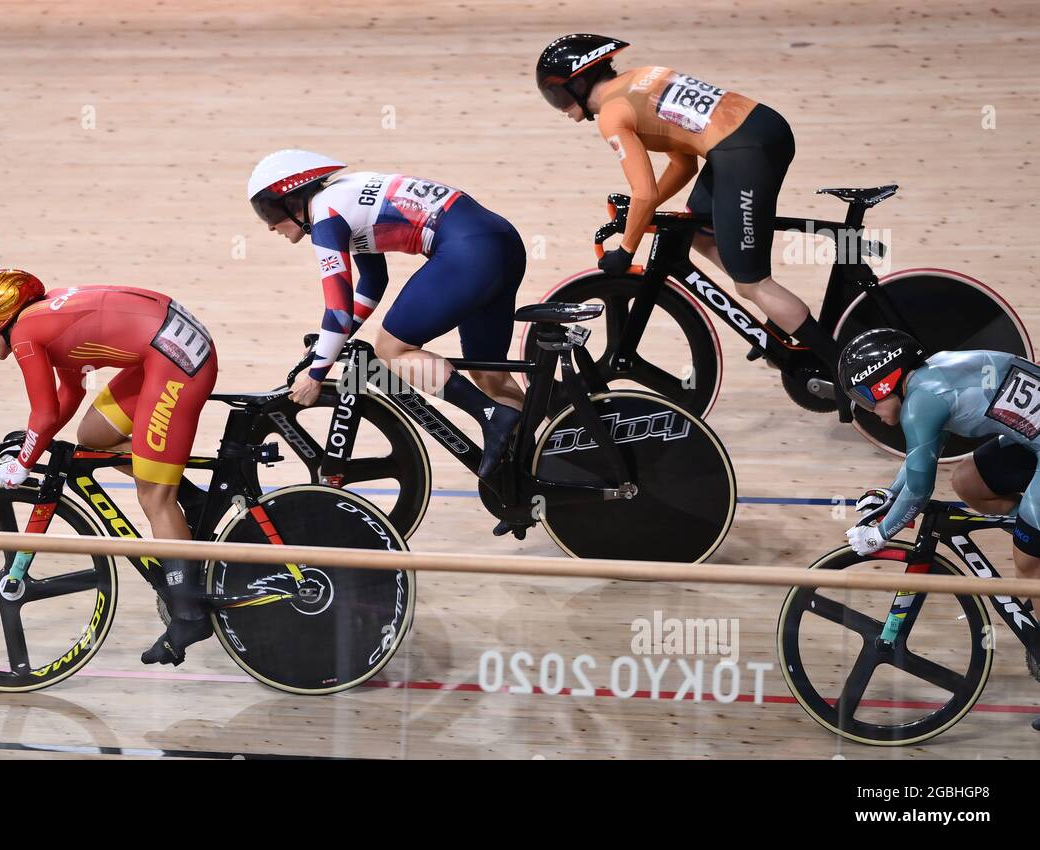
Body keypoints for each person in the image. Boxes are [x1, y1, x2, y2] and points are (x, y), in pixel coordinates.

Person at [535, 33, 843, 404]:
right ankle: (773, 308)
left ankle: (847, 372)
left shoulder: (612, 116)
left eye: (557, 94)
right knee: (696, 231)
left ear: (579, 82)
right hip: (755, 130)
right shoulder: (641, 77)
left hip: (742, 152)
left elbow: (644, 192)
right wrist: (640, 213)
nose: (561, 106)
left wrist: (626, 249)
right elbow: (683, 164)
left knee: (752, 284)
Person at [0, 268, 218, 666]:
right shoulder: (40, 320)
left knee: (154, 498)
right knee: (94, 435)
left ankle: (189, 613)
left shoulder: (26, 335)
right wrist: (32, 447)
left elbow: (43, 414)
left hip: (174, 360)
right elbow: (70, 391)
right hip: (167, 346)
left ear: (0, 315)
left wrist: (22, 463)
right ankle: (191, 499)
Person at [247, 149, 528, 478]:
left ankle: (490, 415)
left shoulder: (325, 216)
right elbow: (372, 282)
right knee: (490, 375)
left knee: (391, 349)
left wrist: (315, 376)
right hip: (500, 241)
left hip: (468, 252)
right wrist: (330, 344)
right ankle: (530, 472)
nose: (269, 227)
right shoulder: (342, 195)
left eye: (267, 212)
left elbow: (337, 308)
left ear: (292, 201)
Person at [839, 329, 1040, 653]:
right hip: (1031, 439)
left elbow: (919, 491)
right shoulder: (928, 380)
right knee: (968, 481)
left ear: (884, 382)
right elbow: (925, 454)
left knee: (1029, 564)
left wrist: (880, 534)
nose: (867, 409)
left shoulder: (921, 403)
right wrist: (890, 494)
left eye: (864, 398)